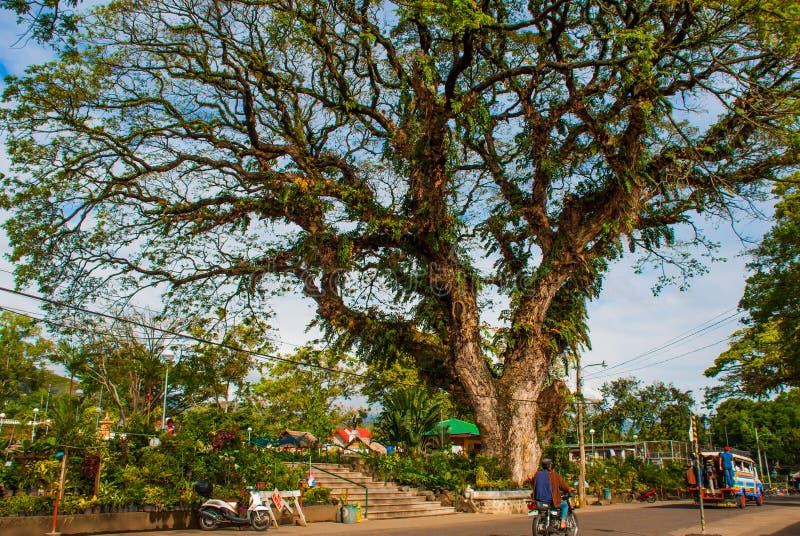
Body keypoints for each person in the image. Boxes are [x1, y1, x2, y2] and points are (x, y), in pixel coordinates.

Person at [531, 458, 573, 529]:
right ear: (550, 466)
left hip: (538, 500)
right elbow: (563, 485)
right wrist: (569, 489)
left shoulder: (537, 474)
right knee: (565, 505)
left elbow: (533, 484)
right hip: (551, 500)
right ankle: (562, 522)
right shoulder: (554, 475)